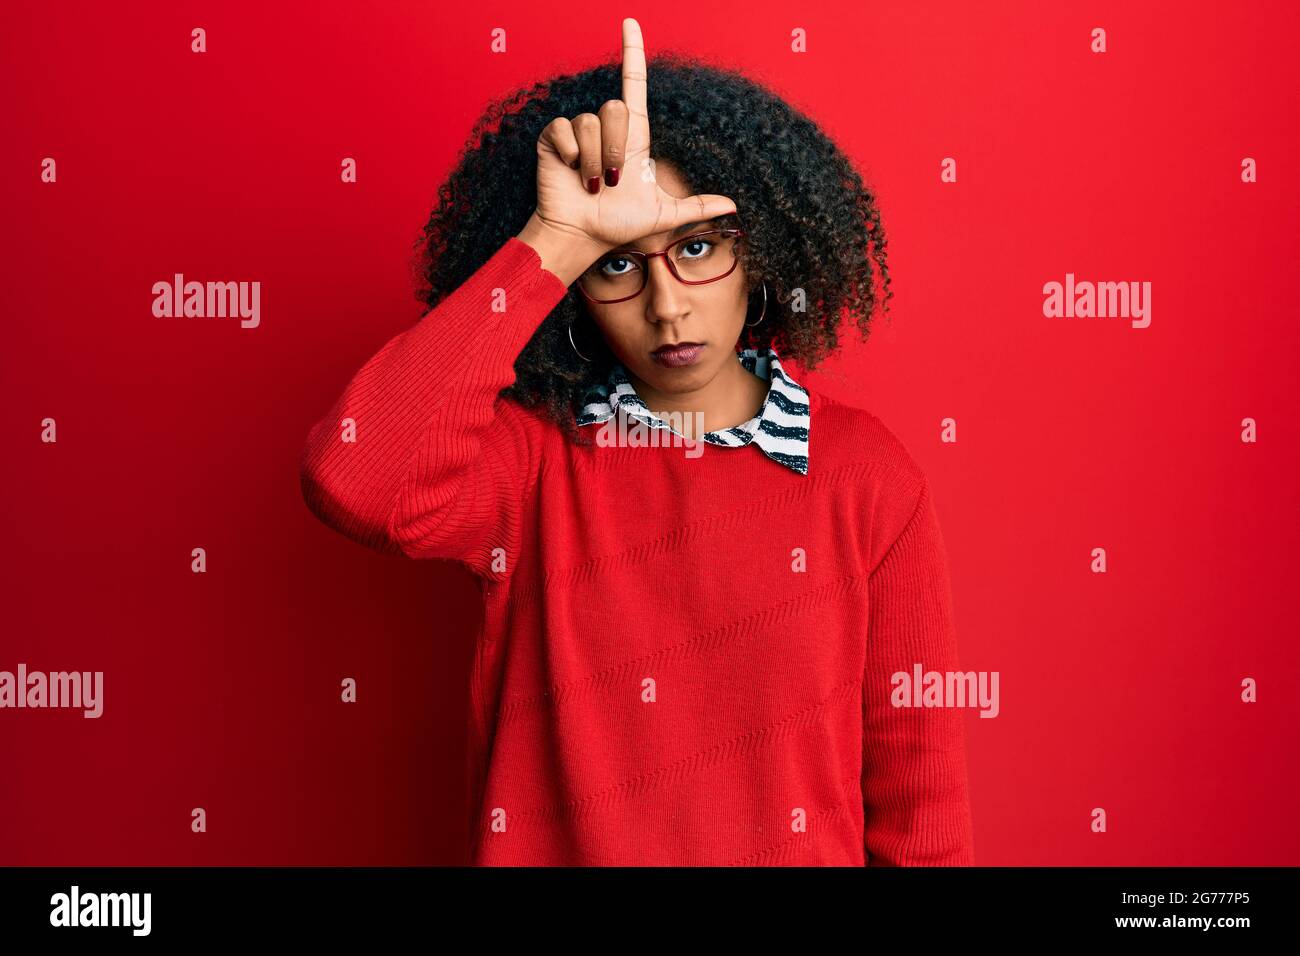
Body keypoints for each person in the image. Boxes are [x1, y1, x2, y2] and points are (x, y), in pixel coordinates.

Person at [299, 18, 975, 866]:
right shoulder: (532, 460)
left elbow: (923, 806)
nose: (668, 305)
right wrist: (557, 241)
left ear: (762, 253)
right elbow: (354, 480)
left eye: (698, 249)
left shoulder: (867, 478)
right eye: (619, 264)